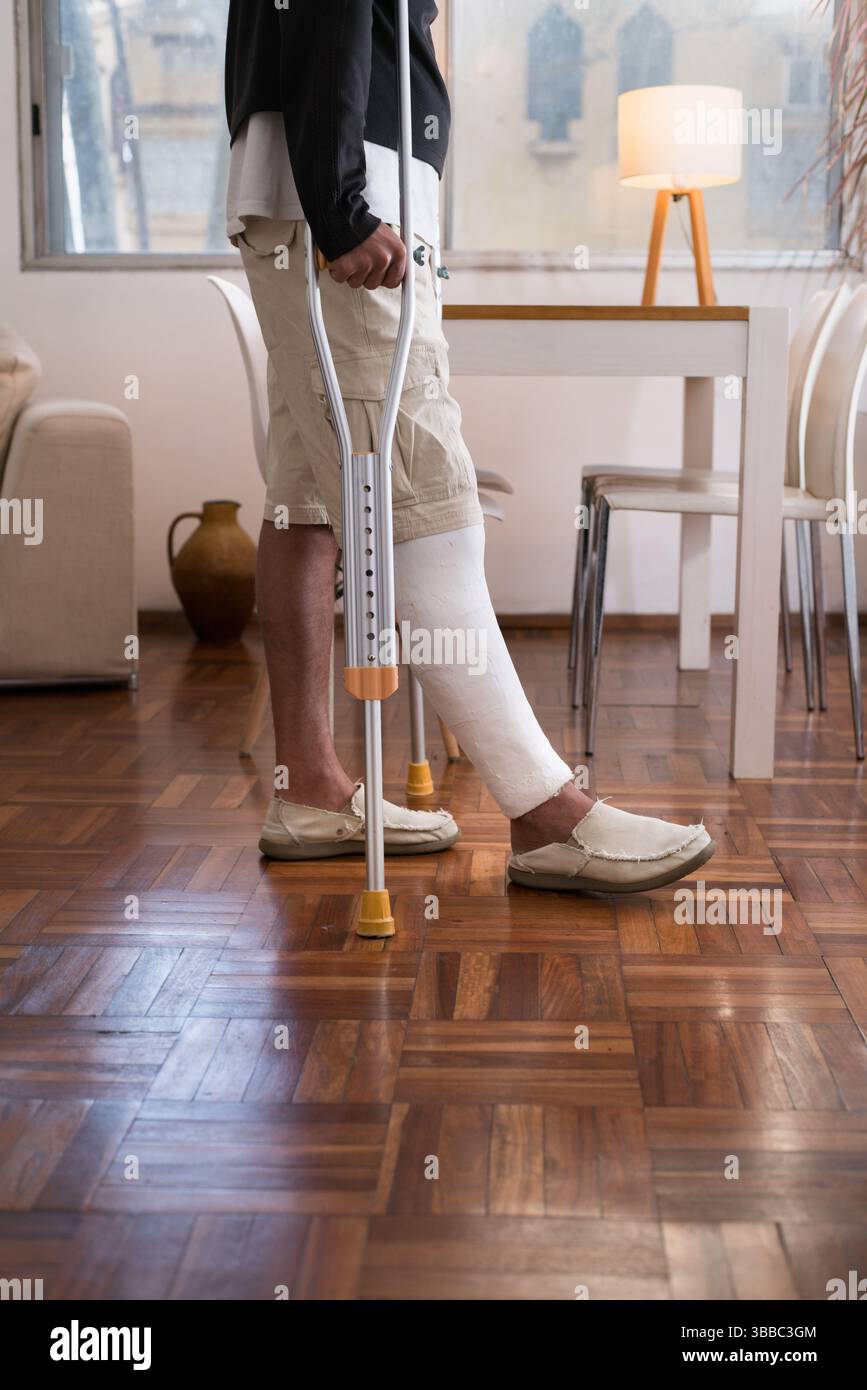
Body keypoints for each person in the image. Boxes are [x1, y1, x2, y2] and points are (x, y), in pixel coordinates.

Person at [224, 0, 715, 895]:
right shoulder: (341, 204)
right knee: (422, 500)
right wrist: (340, 208)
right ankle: (546, 813)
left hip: (312, 191)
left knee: (305, 503)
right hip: (342, 199)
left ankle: (309, 792)